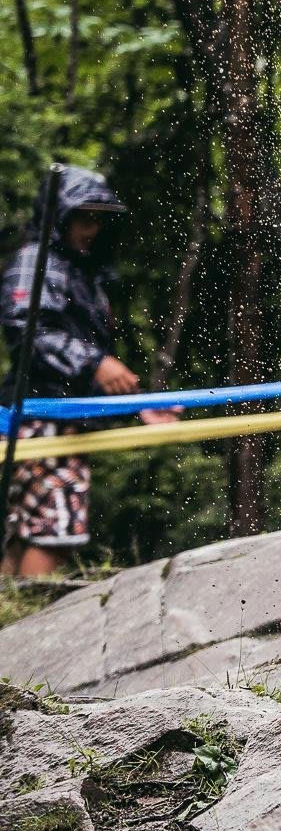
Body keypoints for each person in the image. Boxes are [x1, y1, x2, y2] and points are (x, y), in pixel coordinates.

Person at [1, 168, 170, 575]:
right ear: (59, 217)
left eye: (98, 219)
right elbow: (25, 328)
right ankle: (30, 627)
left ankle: (10, 622)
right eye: (83, 217)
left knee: (27, 529)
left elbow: (82, 369)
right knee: (53, 530)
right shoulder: (37, 260)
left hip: (57, 419)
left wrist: (135, 406)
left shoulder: (81, 272)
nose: (92, 229)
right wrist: (94, 362)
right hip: (39, 420)